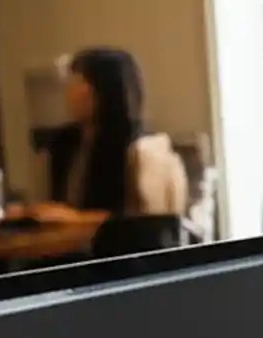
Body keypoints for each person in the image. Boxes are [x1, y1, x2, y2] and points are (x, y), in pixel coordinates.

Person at [36, 47, 186, 222]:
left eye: (78, 82)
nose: (70, 91)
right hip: (68, 242)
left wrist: (75, 218)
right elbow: (56, 205)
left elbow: (137, 222)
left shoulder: (137, 149)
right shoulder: (64, 142)